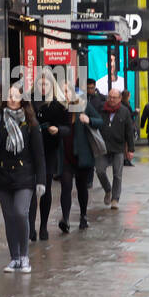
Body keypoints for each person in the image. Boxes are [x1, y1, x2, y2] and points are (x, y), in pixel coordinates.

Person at [0, 85, 45, 272]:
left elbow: (39, 155)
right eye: (9, 96)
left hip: (24, 176)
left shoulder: (31, 124)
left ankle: (24, 256)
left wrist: (41, 181)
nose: (12, 99)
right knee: (9, 217)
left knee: (20, 213)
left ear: (22, 99)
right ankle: (14, 257)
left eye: (16, 96)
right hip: (2, 176)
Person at [30, 70, 69, 242]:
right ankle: (31, 227)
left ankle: (43, 226)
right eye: (40, 83)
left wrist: (58, 130)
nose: (43, 87)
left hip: (49, 150)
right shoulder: (29, 101)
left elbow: (67, 127)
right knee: (30, 190)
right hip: (29, 151)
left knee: (45, 189)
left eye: (46, 84)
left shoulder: (58, 105)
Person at [59, 87, 104, 229]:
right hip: (65, 156)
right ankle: (65, 219)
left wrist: (89, 119)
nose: (65, 95)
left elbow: (99, 121)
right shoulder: (59, 109)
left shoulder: (83, 106)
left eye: (67, 92)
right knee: (65, 186)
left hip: (82, 155)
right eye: (62, 92)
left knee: (82, 187)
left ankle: (83, 216)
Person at [98, 88, 136, 209]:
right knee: (100, 170)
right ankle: (108, 190)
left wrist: (130, 149)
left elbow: (129, 131)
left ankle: (115, 199)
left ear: (120, 99)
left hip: (118, 147)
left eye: (114, 97)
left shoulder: (124, 112)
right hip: (103, 147)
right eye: (109, 97)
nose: (111, 100)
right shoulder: (102, 110)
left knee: (117, 174)